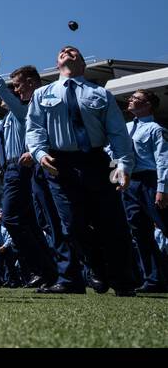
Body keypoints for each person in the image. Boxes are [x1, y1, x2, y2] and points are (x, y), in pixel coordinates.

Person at [25, 46, 138, 295]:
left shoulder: (100, 93)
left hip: (99, 161)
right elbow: (34, 129)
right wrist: (40, 154)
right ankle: (96, 268)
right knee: (72, 224)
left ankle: (123, 280)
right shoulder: (43, 93)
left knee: (113, 223)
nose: (67, 51)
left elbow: (117, 132)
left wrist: (123, 165)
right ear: (57, 64)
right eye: (63, 51)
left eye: (73, 50)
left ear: (83, 64)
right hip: (60, 164)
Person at [0, 50, 56, 288]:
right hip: (11, 170)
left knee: (10, 219)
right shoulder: (10, 118)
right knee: (28, 223)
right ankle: (48, 271)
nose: (13, 92)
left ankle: (41, 267)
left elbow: (2, 89)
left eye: (16, 88)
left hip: (20, 169)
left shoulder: (24, 112)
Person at [120, 90, 168, 292]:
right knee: (139, 232)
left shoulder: (156, 129)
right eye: (130, 98)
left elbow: (163, 160)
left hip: (150, 180)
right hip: (130, 182)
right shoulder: (125, 128)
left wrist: (163, 188)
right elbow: (115, 153)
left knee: (165, 224)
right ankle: (153, 279)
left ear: (148, 104)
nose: (130, 100)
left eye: (136, 98)